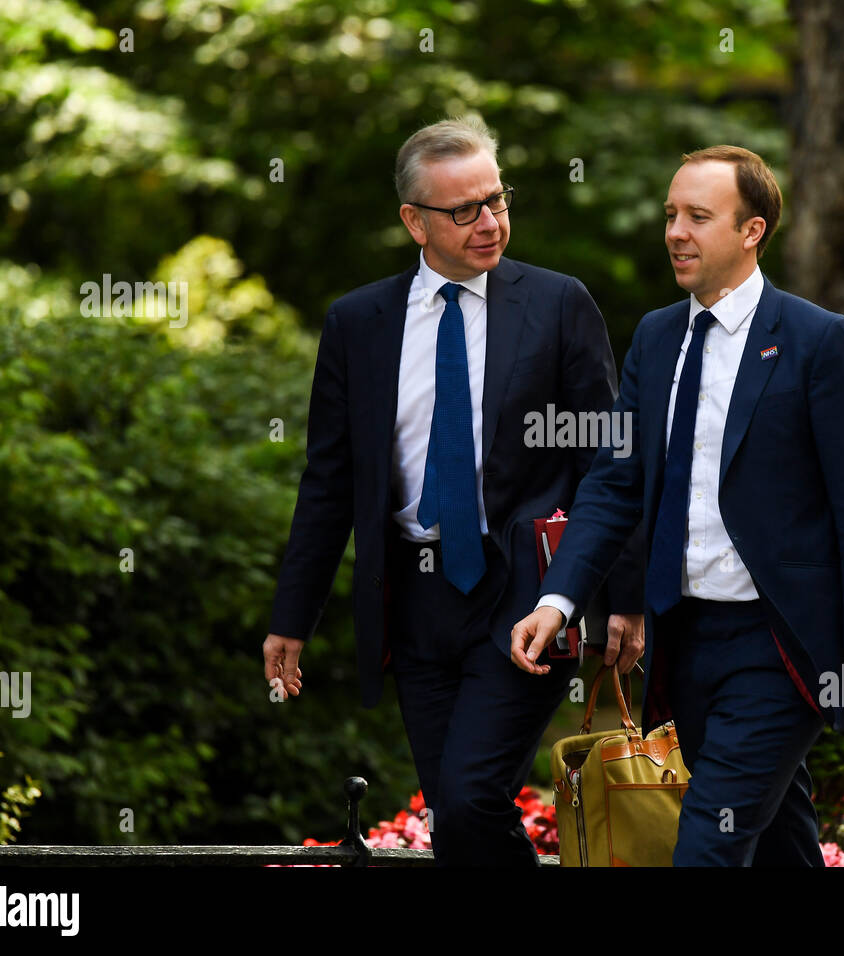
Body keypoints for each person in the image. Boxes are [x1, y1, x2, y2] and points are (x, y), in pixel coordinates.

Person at [263, 116, 644, 866]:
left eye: (497, 200)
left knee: (470, 801)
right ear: (414, 221)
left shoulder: (558, 304)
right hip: (415, 600)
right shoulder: (358, 324)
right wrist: (292, 617)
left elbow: (610, 458)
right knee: (460, 819)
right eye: (463, 209)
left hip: (528, 596)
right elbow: (330, 482)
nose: (489, 222)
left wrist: (618, 598)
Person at [511, 145, 844, 866]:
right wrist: (558, 600)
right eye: (670, 215)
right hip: (683, 642)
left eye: (698, 216)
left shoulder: (819, 342)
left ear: (751, 231)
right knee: (781, 839)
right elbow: (614, 484)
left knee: (705, 849)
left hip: (779, 647)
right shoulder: (657, 339)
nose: (675, 232)